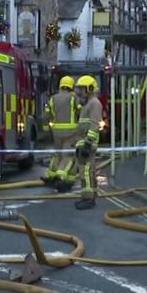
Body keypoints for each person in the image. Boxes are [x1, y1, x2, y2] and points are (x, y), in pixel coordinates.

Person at [44, 76, 80, 190]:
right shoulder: (73, 97)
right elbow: (80, 111)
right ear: (71, 86)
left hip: (56, 132)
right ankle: (60, 176)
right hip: (71, 131)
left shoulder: (53, 98)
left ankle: (51, 175)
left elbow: (46, 115)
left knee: (57, 154)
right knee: (68, 156)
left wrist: (46, 130)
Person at [73, 75, 103, 210]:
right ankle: (90, 196)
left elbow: (94, 125)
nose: (80, 92)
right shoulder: (87, 104)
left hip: (88, 144)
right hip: (83, 142)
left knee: (85, 171)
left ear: (90, 89)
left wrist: (87, 144)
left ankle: (88, 198)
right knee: (87, 171)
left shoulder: (94, 104)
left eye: (82, 89)